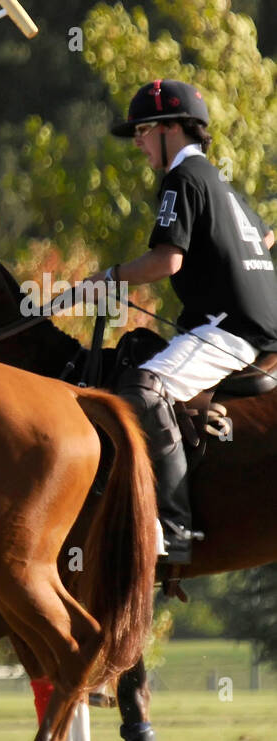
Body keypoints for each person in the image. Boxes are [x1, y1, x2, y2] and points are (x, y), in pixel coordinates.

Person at [84, 79, 277, 564]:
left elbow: (167, 260)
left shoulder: (182, 179)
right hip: (254, 326)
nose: (139, 142)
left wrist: (109, 277)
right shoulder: (219, 183)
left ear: (171, 128)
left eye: (144, 130)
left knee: (143, 390)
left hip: (231, 330)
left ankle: (173, 529)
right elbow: (265, 238)